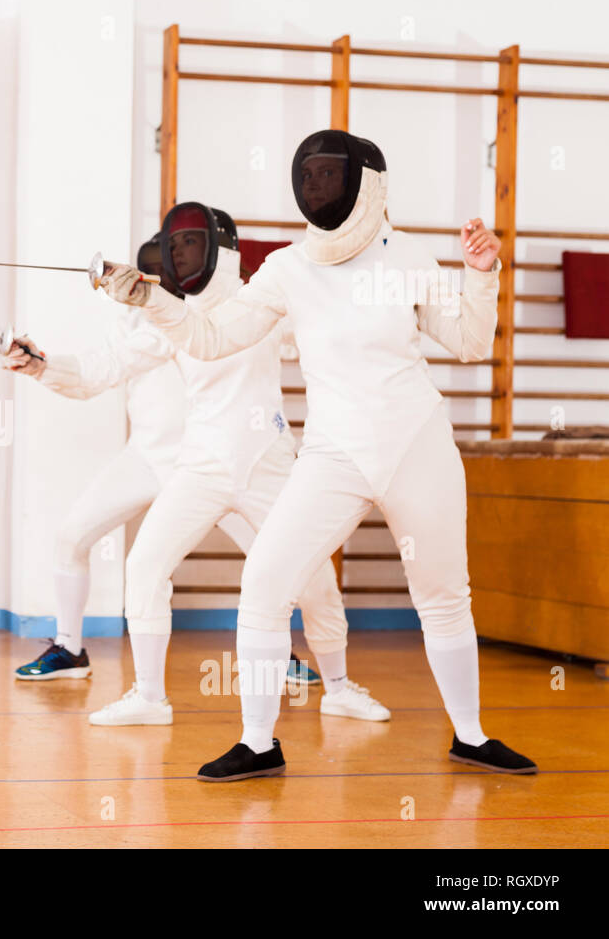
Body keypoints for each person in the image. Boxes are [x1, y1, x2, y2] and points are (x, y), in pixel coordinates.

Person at [100, 129, 537, 778]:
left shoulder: (408, 258)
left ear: (368, 184)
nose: (318, 188)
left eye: (329, 177)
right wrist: (152, 299)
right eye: (310, 178)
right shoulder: (288, 269)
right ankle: (258, 741)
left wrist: (482, 273)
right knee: (266, 580)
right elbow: (215, 336)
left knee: (442, 594)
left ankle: (470, 735)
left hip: (416, 442)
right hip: (334, 453)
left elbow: (470, 343)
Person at [9, 204, 387, 725]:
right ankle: (148, 697)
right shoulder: (172, 316)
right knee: (144, 566)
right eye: (176, 244)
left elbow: (326, 340)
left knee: (314, 575)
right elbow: (103, 368)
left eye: (192, 243)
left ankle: (340, 688)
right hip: (202, 466)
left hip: (266, 464)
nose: (182, 253)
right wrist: (41, 364)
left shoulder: (265, 303)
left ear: (221, 249)